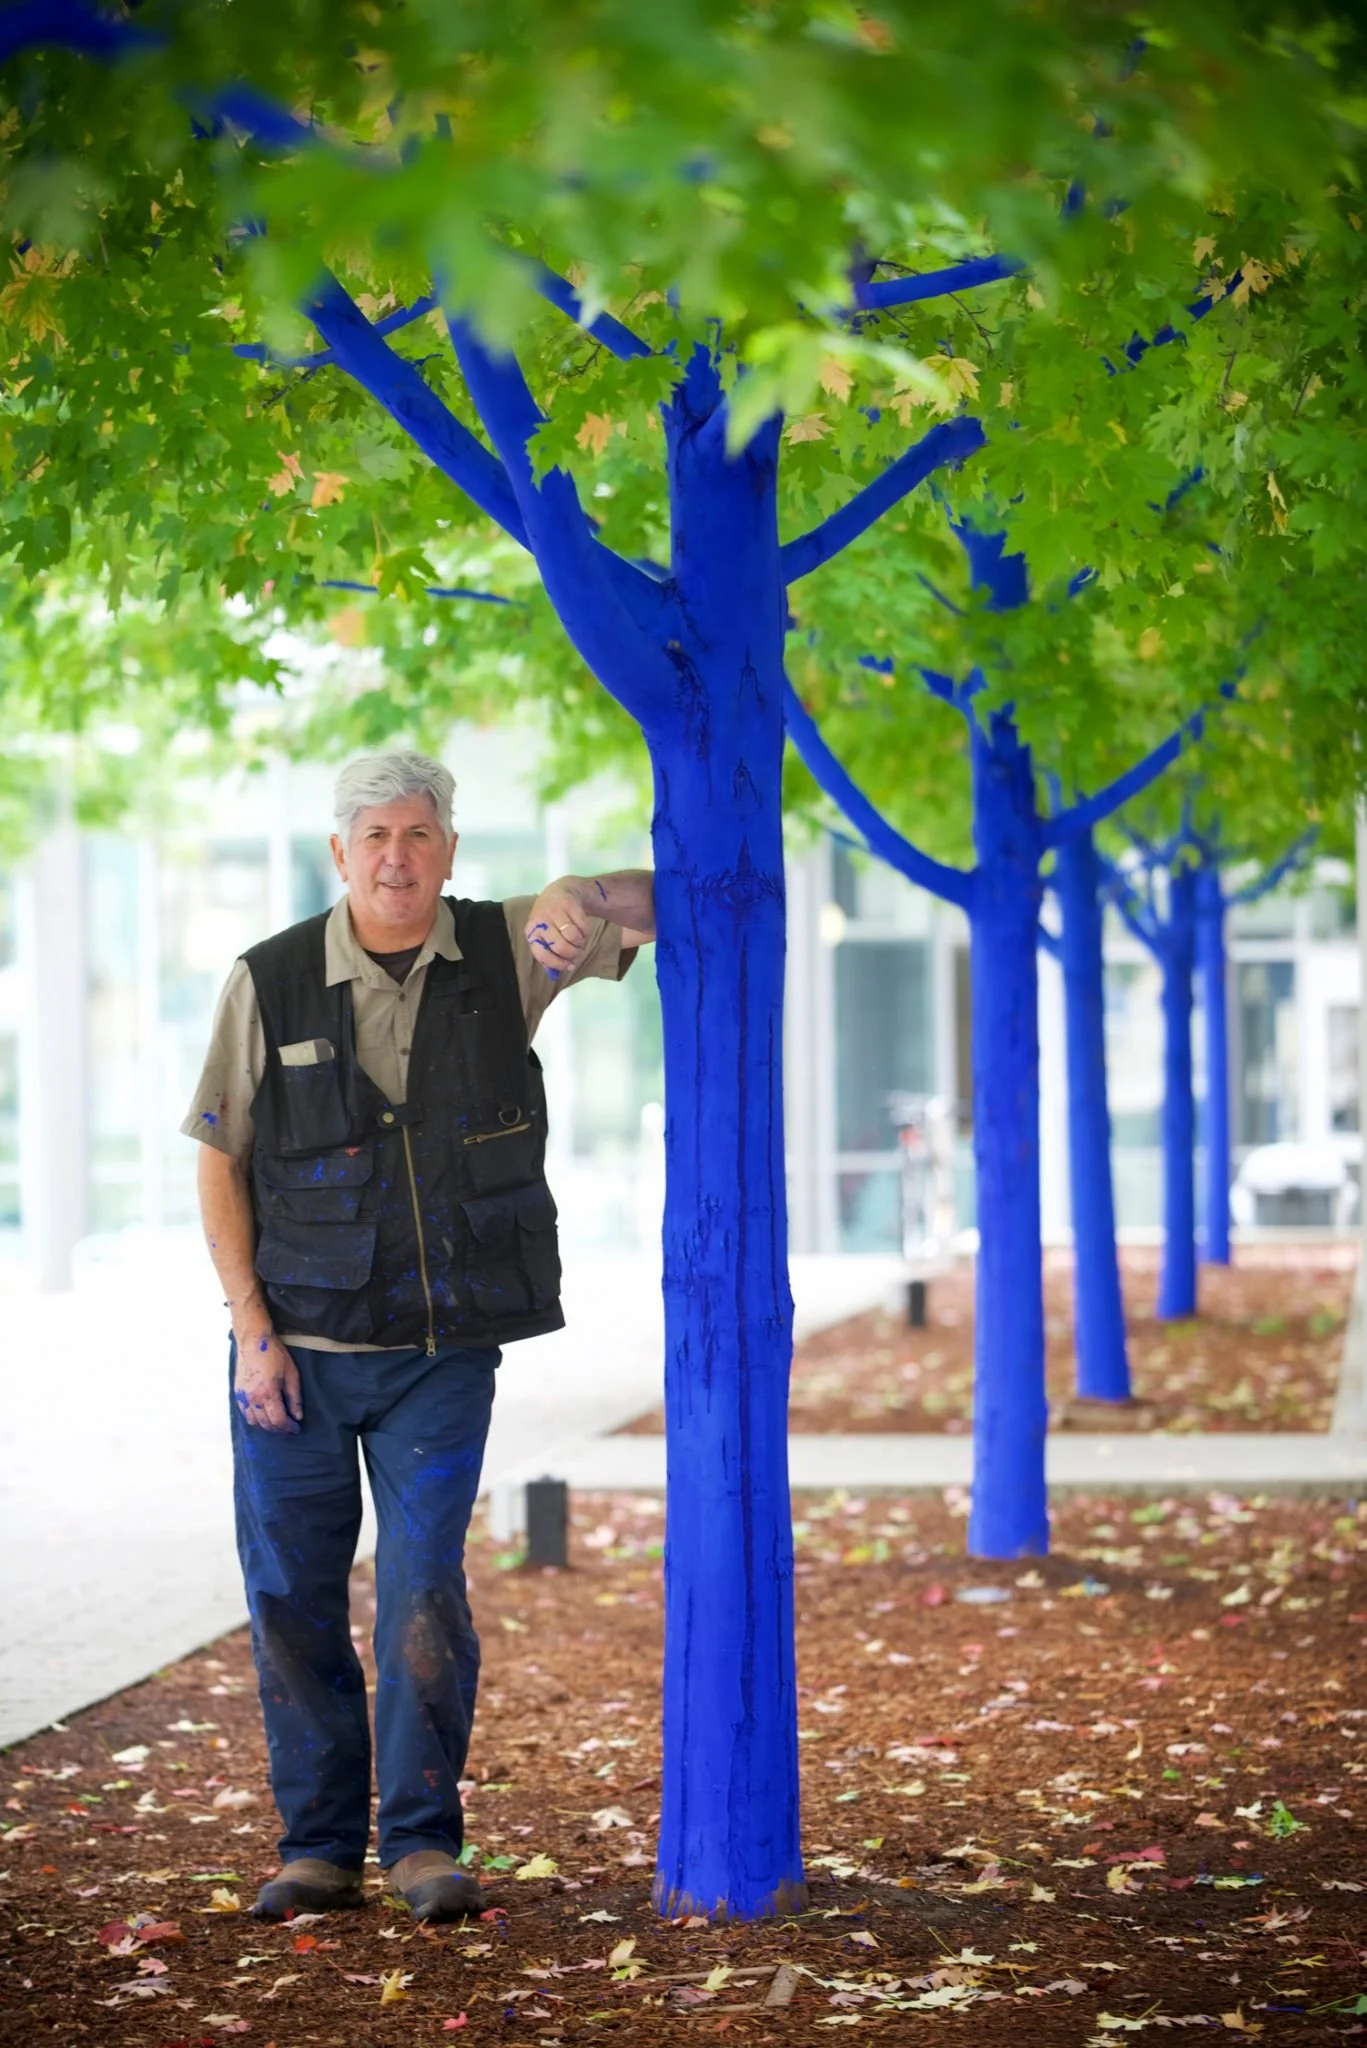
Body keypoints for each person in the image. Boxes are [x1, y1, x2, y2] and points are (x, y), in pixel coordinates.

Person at [183, 751, 655, 1923]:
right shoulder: (271, 977)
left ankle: (421, 1841)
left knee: (421, 1590)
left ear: (449, 847)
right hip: (294, 1349)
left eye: (419, 833)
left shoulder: (511, 948)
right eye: (374, 835)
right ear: (339, 853)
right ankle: (318, 1846)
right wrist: (251, 1331)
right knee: (291, 1593)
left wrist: (586, 893)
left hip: (441, 1359)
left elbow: (679, 893)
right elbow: (215, 1157)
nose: (397, 854)